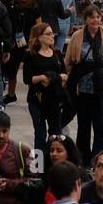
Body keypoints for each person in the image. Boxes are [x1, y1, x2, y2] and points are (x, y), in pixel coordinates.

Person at [64, 4, 103, 157]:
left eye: (98, 17)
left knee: (101, 121)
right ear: (86, 19)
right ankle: (83, 156)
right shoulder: (77, 36)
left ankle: (100, 154)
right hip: (83, 86)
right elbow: (68, 61)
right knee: (84, 123)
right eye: (92, 17)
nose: (95, 20)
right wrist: (72, 79)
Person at [23, 21, 70, 154]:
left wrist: (55, 77)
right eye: (48, 34)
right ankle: (39, 166)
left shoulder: (57, 54)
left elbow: (65, 75)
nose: (52, 36)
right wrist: (42, 78)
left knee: (56, 134)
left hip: (54, 99)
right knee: (40, 133)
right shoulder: (31, 55)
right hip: (37, 99)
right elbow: (27, 78)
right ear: (39, 37)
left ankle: (55, 164)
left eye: (52, 33)